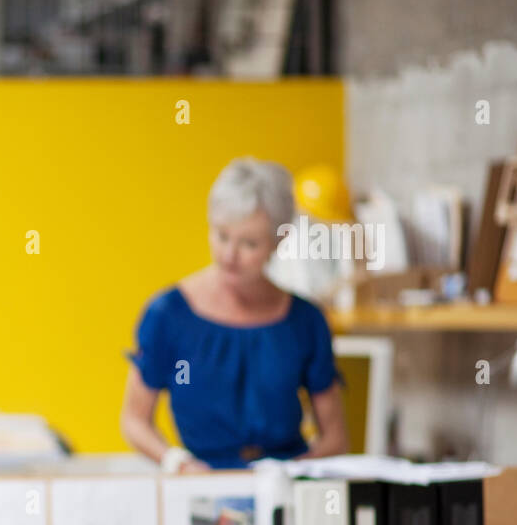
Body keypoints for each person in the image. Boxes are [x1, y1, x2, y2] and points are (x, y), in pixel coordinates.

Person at [120, 157, 349, 472]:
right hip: (199, 483)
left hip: (282, 483)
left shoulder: (306, 321)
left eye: (249, 244)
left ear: (278, 242)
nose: (229, 256)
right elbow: (134, 420)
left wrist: (292, 474)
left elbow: (335, 438)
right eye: (221, 236)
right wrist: (180, 464)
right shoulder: (168, 315)